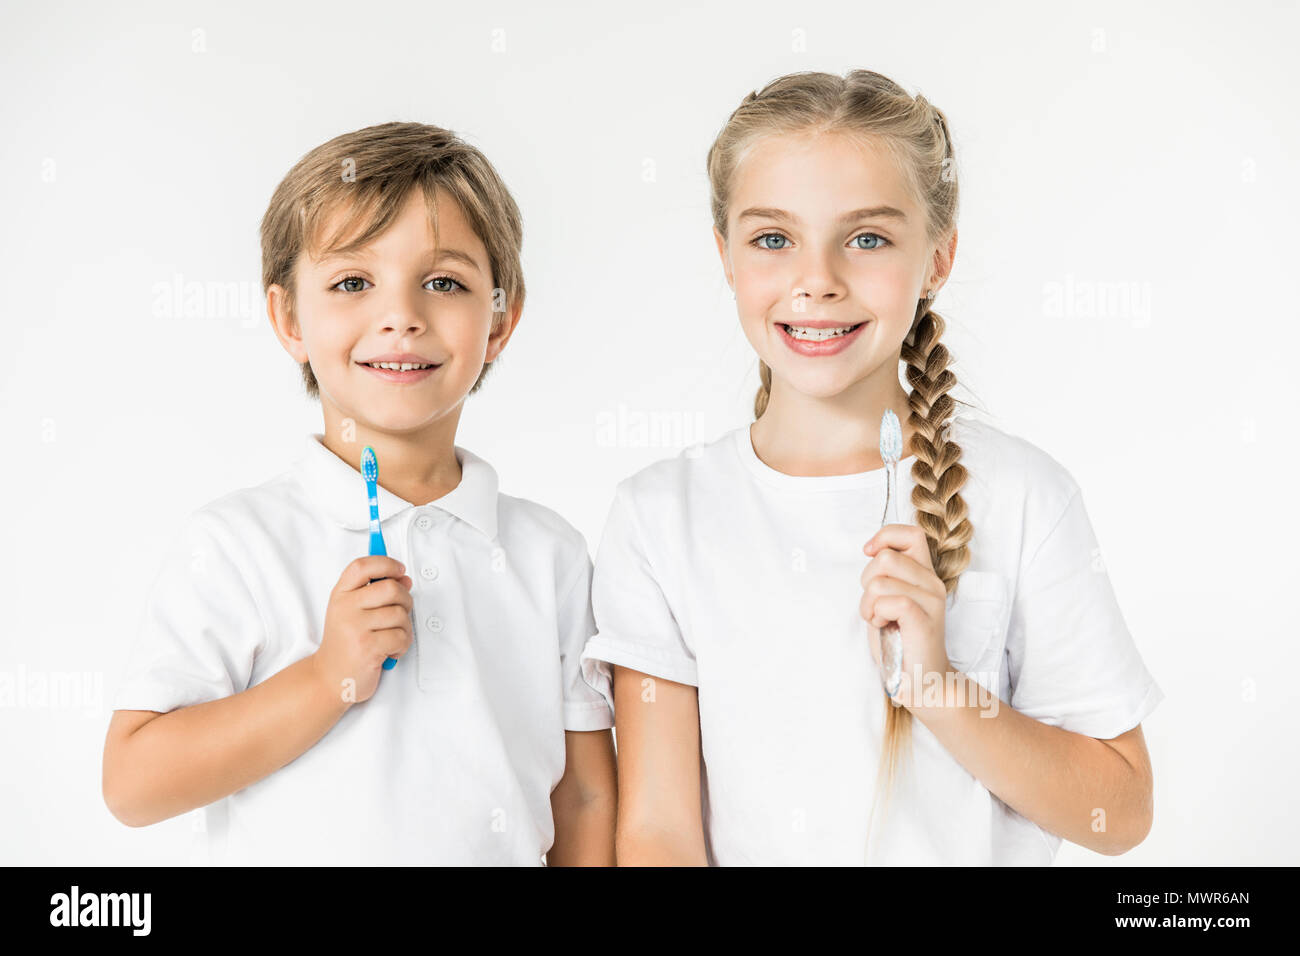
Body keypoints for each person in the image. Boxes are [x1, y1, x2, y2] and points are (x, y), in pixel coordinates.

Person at [580, 71, 1162, 865]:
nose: (817, 279)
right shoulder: (661, 515)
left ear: (938, 258)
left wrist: (939, 688)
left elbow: (1119, 810)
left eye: (867, 238)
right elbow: (657, 828)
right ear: (725, 255)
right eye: (773, 238)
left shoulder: (1024, 498)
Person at [103, 121, 616, 865]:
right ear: (288, 318)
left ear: (501, 318)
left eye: (444, 282)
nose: (400, 316)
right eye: (352, 282)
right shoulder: (239, 543)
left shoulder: (549, 555)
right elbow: (134, 782)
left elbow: (585, 796)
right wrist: (325, 678)